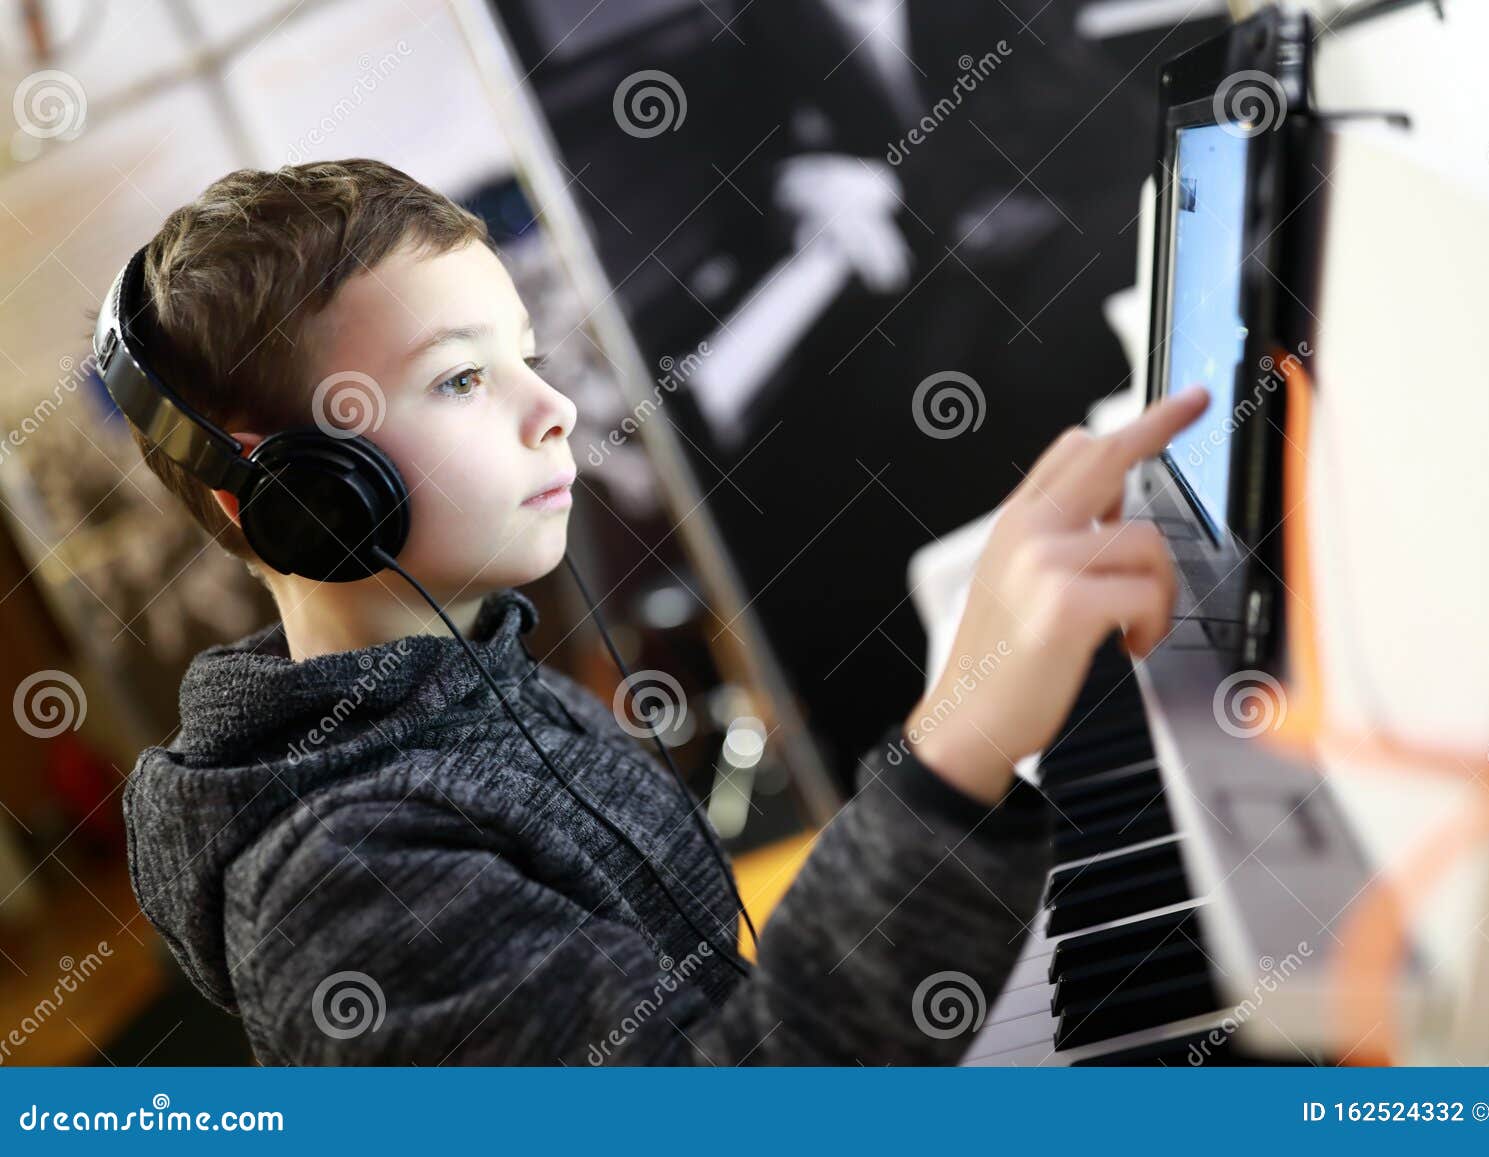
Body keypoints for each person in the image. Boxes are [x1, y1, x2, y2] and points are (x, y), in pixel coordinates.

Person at [119, 158, 1207, 1065]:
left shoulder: (481, 684)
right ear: (295, 492)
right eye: (459, 378)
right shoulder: (346, 891)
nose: (553, 410)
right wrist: (957, 744)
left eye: (527, 358)